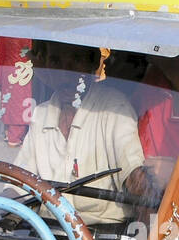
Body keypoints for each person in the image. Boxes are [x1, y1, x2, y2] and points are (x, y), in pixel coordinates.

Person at [14, 40, 151, 224]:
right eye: (55, 62)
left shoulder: (113, 108)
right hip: (46, 234)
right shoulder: (41, 114)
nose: (65, 73)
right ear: (46, 67)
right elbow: (19, 184)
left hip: (101, 237)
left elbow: (135, 177)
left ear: (93, 63)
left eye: (76, 60)